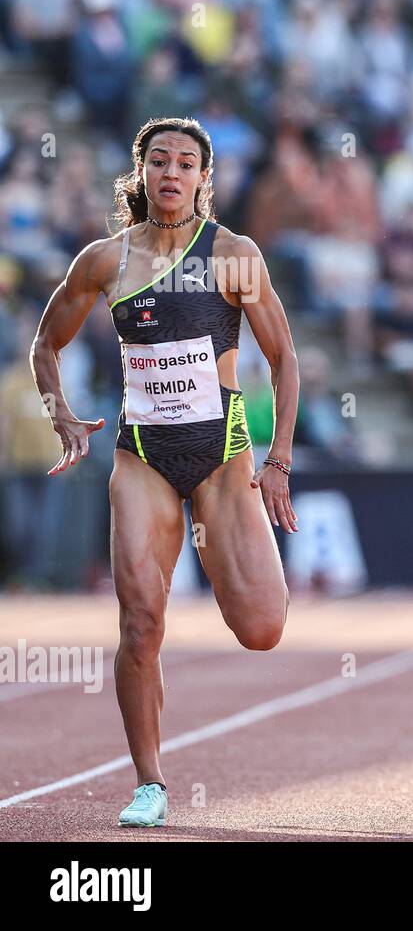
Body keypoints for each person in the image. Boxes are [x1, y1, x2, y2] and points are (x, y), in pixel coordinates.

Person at [30, 117, 301, 825]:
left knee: (264, 628)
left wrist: (277, 461)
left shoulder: (235, 255)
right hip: (141, 456)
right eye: (160, 161)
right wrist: (60, 413)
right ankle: (149, 781)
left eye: (186, 163)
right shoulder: (105, 260)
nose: (172, 173)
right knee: (141, 619)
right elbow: (44, 346)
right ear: (141, 173)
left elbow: (285, 359)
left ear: (204, 179)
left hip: (221, 458)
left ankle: (220, 554)